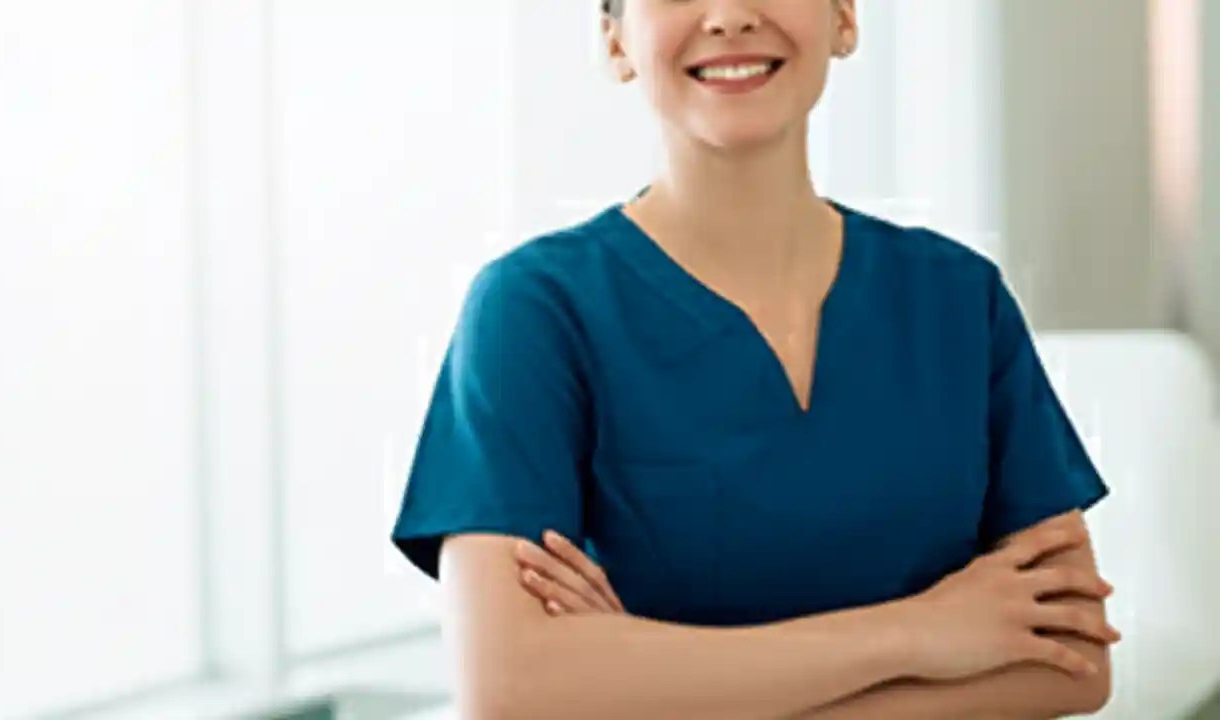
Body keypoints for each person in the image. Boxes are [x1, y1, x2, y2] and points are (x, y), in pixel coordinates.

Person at [390, 1, 1120, 717]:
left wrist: (645, 680)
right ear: (615, 40)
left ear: (844, 17)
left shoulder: (960, 299)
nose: (729, 15)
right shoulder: (535, 310)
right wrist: (919, 633)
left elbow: (1073, 660)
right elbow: (510, 684)